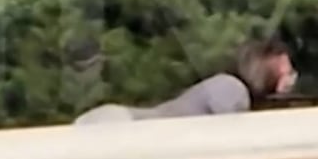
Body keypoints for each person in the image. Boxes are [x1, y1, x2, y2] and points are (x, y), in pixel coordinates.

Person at [73, 37, 297, 125]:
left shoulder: (227, 86)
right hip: (122, 123)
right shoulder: (231, 89)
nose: (290, 77)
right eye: (285, 69)